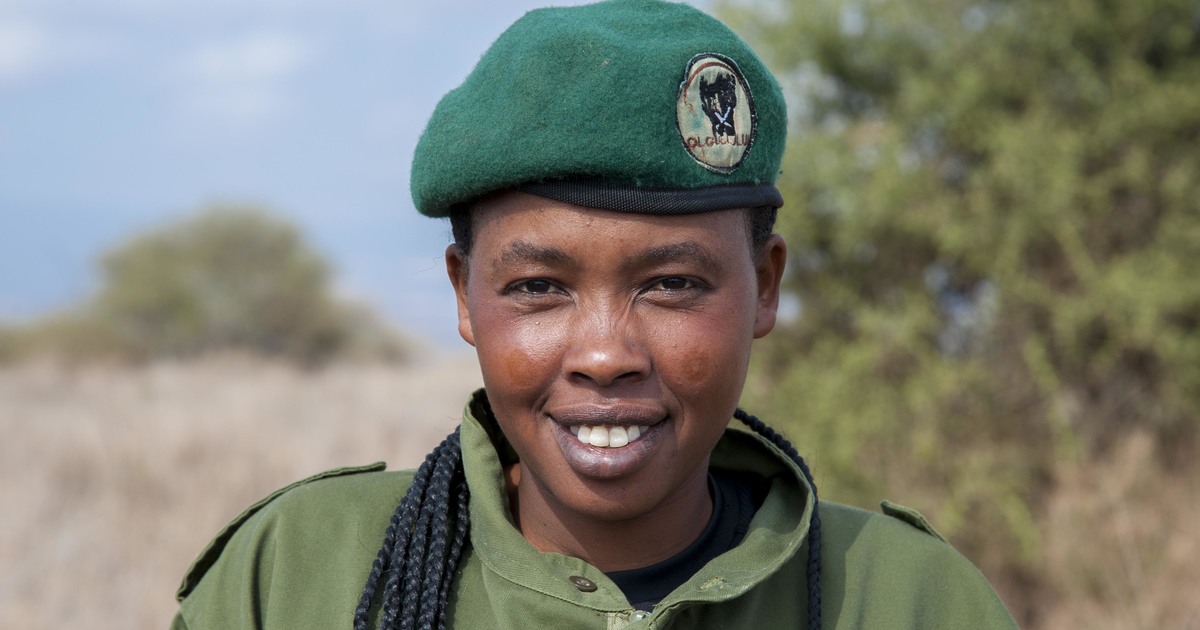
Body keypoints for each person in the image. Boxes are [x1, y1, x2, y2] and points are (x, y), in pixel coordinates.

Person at [170, 1, 1018, 628]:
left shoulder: (909, 601)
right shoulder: (297, 581)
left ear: (764, 285)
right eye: (539, 287)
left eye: (674, 285)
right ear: (465, 294)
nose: (605, 355)